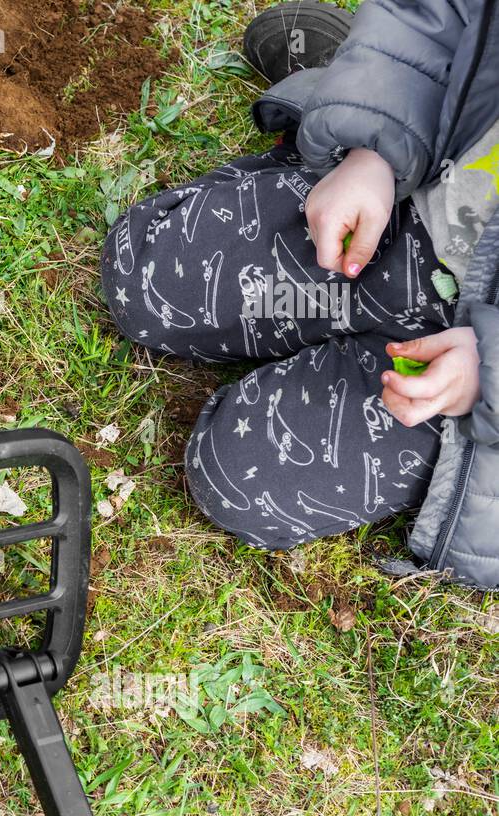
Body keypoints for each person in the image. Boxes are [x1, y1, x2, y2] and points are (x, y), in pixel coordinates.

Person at [101, 0, 499, 588]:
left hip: (463, 378)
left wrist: (486, 373)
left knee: (235, 478)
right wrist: (374, 150)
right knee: (145, 277)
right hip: (418, 203)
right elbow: (432, 13)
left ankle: (334, 80)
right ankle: (347, 94)